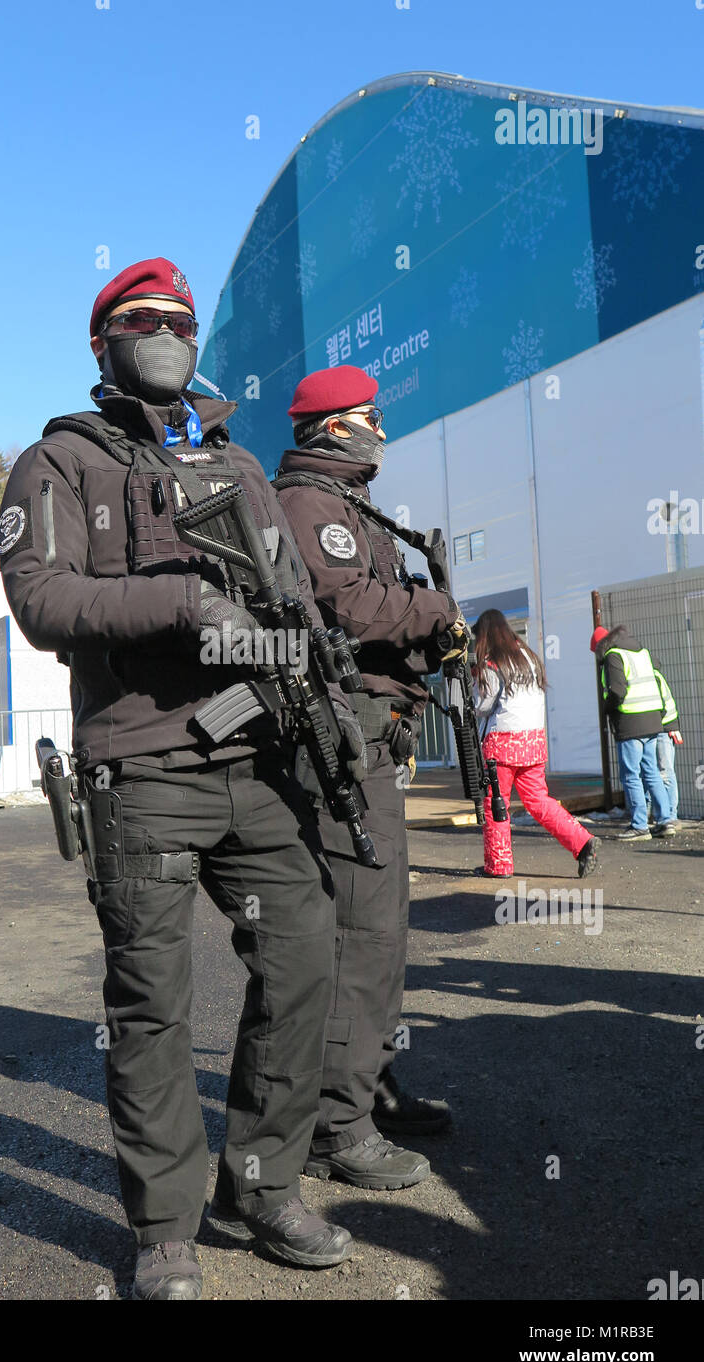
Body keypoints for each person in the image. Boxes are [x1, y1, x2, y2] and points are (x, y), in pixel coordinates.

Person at [0, 258, 362, 1300]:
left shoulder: (241, 466)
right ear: (104, 341)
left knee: (304, 965)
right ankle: (164, 1230)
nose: (163, 332)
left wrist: (319, 687)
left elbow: (294, 600)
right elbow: (43, 600)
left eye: (178, 321)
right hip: (142, 762)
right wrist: (180, 604)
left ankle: (259, 1185)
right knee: (153, 1003)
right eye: (140, 319)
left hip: (259, 755)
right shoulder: (56, 460)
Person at [273, 365, 465, 1191]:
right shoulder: (311, 506)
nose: (381, 430)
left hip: (375, 737)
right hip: (342, 739)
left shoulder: (350, 507)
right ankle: (336, 1125)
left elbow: (373, 612)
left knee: (383, 926)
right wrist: (439, 615)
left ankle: (371, 1088)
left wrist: (429, 637)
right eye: (370, 418)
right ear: (334, 428)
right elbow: (349, 602)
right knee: (363, 933)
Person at [475, 611, 599, 878]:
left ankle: (499, 866)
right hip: (533, 742)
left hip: (502, 746)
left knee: (496, 803)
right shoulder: (529, 657)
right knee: (538, 800)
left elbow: (482, 706)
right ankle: (583, 842)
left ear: (485, 635)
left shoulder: (493, 663)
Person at [590, 625, 675, 840]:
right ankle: (665, 821)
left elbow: (618, 691)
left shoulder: (613, 655)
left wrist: (607, 709)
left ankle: (639, 825)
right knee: (651, 772)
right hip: (653, 721)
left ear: (600, 647)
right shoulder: (640, 651)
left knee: (631, 775)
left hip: (630, 722)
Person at [653, 666, 682, 824]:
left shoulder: (653, 677)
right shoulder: (655, 675)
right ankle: (667, 814)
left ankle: (670, 815)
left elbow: (660, 706)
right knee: (664, 772)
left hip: (663, 728)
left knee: (665, 773)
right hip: (664, 727)